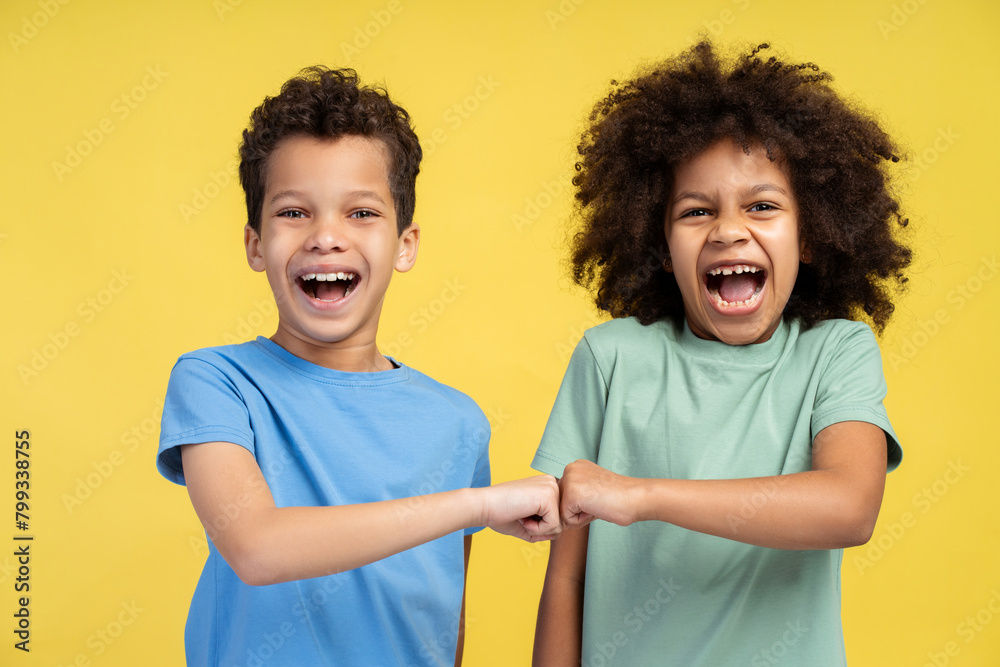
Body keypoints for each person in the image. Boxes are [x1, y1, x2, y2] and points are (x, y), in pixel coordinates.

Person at [156, 66, 560, 666]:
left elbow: (444, 618)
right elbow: (257, 548)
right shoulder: (216, 382)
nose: (326, 237)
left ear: (405, 244)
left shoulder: (458, 422)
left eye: (362, 213)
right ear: (254, 244)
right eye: (293, 213)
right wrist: (478, 503)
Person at [531, 41, 912, 666]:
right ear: (660, 242)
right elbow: (566, 581)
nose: (729, 230)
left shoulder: (836, 351)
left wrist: (642, 496)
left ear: (810, 234)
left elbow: (849, 508)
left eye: (762, 206)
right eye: (696, 211)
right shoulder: (610, 357)